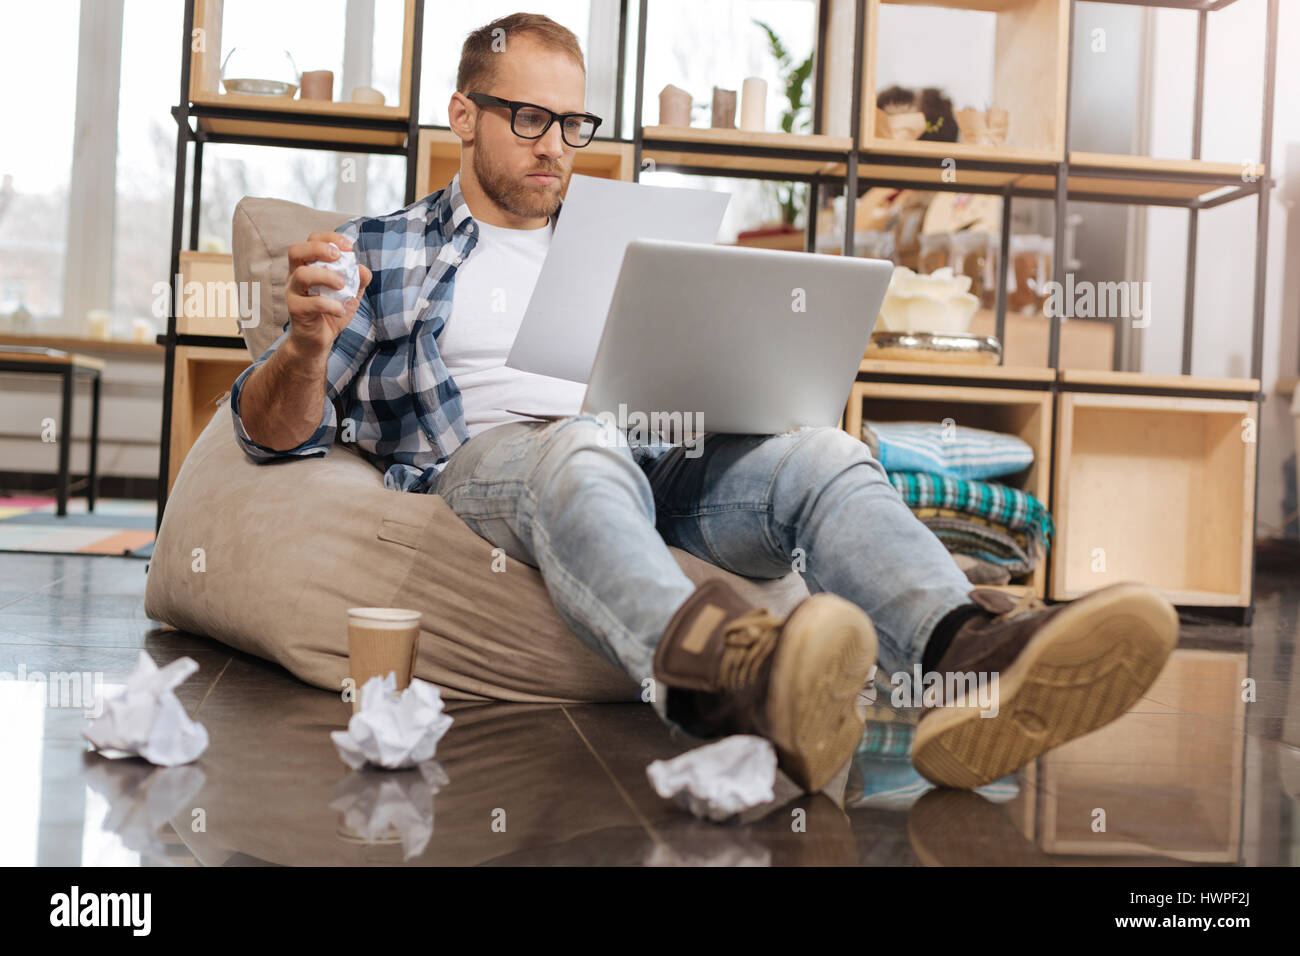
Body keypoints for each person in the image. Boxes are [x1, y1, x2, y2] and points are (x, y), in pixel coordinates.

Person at [228, 13, 1178, 794]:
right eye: (526, 117)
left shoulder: (627, 231)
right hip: (505, 463)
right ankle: (732, 683)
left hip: (666, 449)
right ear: (462, 115)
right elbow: (269, 438)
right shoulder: (379, 249)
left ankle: (972, 654)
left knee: (821, 452)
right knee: (583, 446)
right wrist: (308, 346)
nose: (555, 146)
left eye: (573, 123)